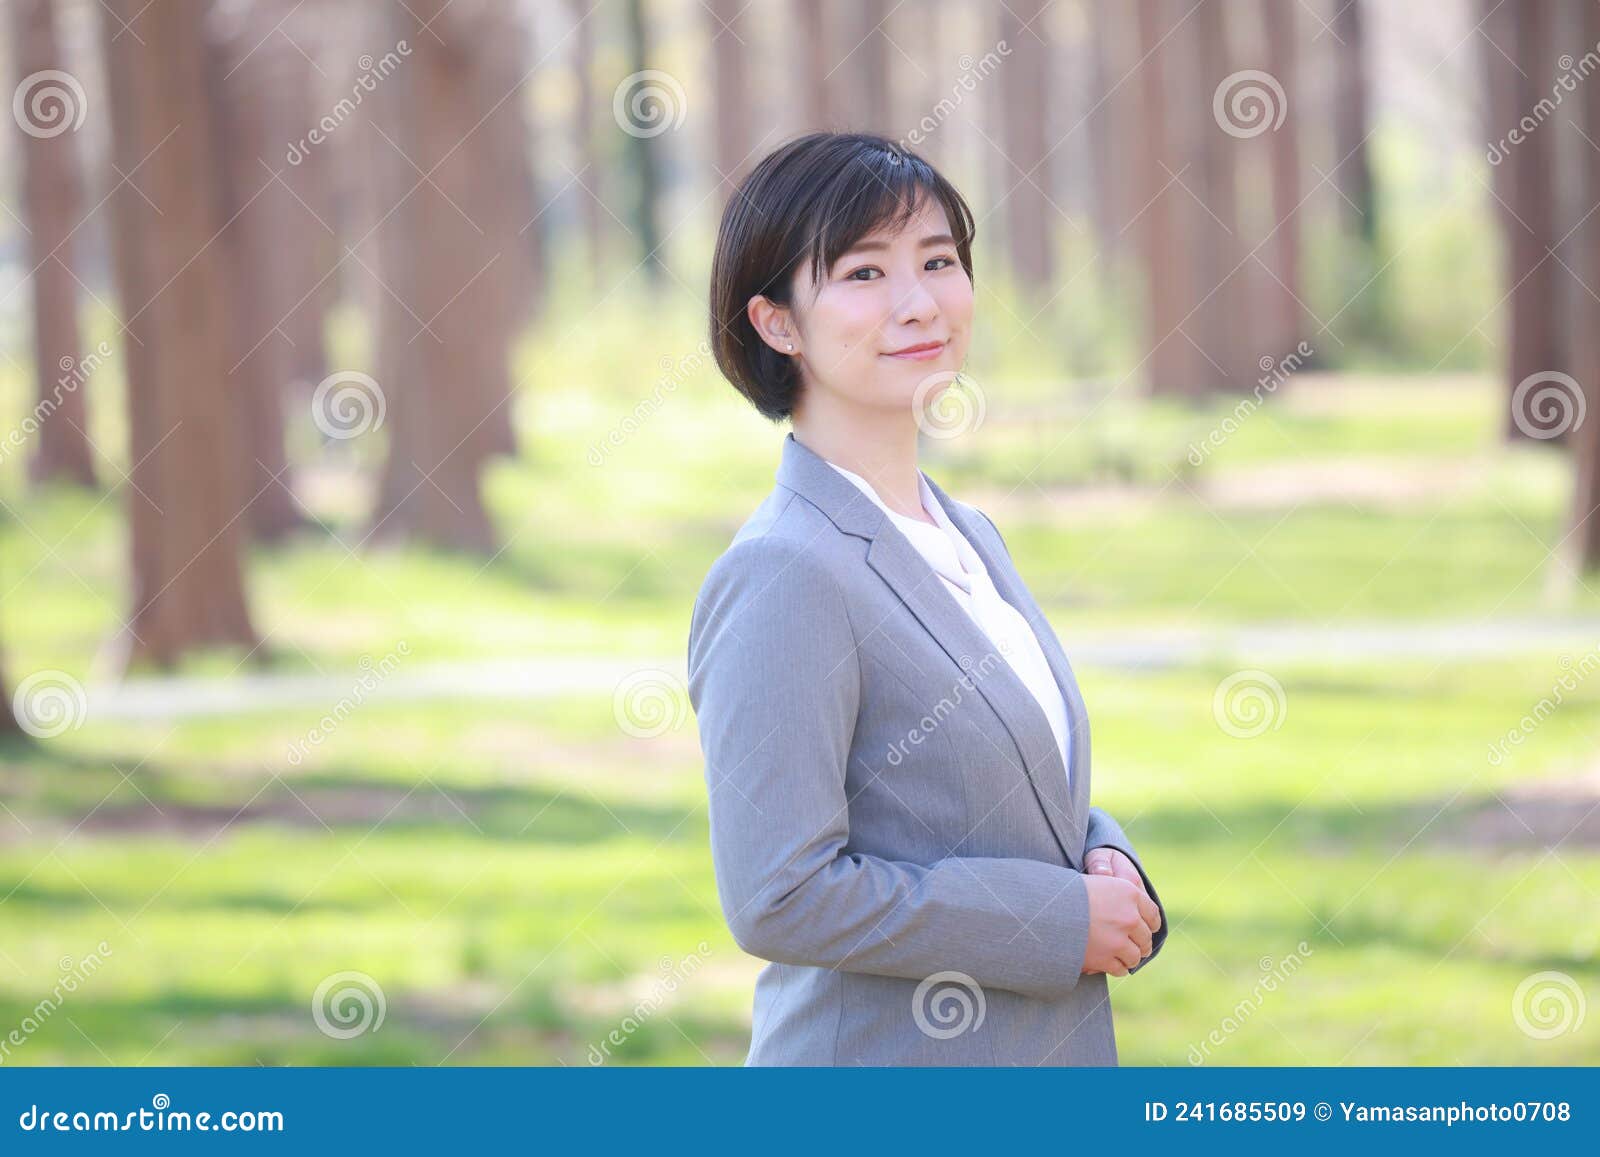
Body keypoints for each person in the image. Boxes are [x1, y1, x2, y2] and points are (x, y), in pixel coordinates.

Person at [687, 131, 1166, 1066]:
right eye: (864, 274)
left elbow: (998, 785)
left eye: (938, 261)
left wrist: (1102, 854)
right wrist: (1054, 921)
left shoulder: (965, 532)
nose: (919, 302)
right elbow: (779, 892)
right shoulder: (788, 568)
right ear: (778, 322)